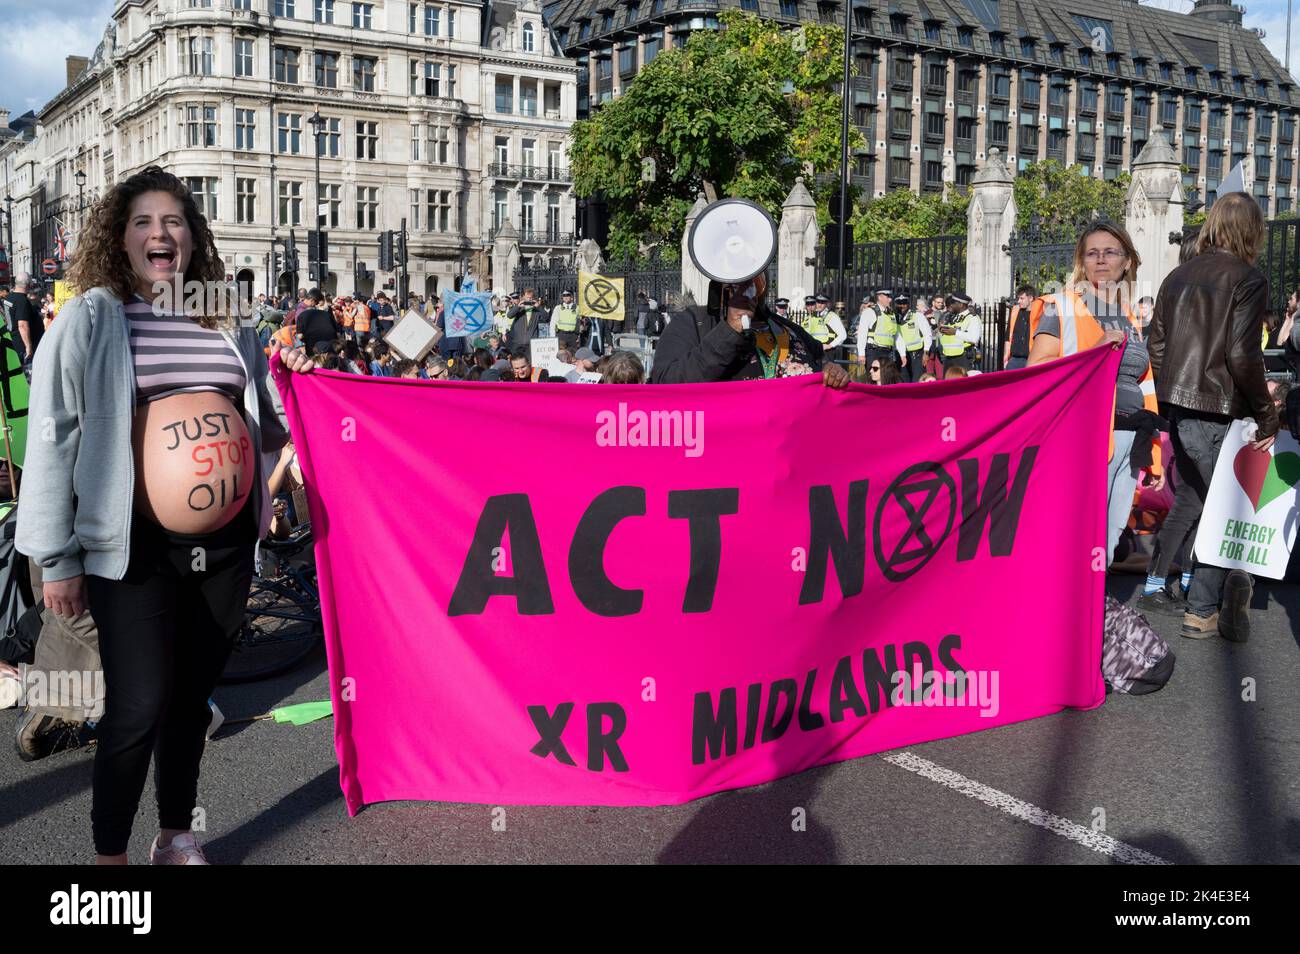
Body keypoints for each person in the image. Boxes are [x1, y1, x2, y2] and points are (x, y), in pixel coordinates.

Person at [15, 166, 290, 865]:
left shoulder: (225, 314)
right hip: (132, 547)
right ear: (121, 237)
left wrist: (284, 474)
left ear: (192, 239)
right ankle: (112, 860)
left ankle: (175, 835)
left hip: (224, 546)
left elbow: (264, 417)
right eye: (142, 221)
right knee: (137, 705)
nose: (158, 233)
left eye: (172, 221)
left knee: (192, 699)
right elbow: (55, 435)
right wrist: (56, 558)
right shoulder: (93, 315)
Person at [1147, 192, 1279, 642]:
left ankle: (1202, 610)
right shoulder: (1249, 279)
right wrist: (1267, 414)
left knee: (1208, 505)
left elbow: (1158, 345)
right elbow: (1243, 355)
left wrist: (1170, 404)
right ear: (1253, 231)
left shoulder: (1177, 276)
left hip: (1183, 413)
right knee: (1225, 511)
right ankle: (1219, 594)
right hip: (1221, 412)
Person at [1027, 221, 1165, 569]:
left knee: (1110, 534)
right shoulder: (1060, 305)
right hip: (1083, 437)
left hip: (1130, 437)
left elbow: (1144, 386)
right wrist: (1093, 353)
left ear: (1127, 262)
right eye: (1092, 253)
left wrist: (1153, 454)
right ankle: (1071, 614)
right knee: (1077, 534)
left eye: (1111, 252)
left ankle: (1091, 612)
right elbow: (1036, 370)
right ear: (1082, 262)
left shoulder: (1130, 317)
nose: (1101, 259)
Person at [649, 275, 849, 387]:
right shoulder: (694, 322)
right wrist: (729, 330)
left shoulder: (788, 328)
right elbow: (667, 385)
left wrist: (833, 372)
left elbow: (823, 365)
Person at [934, 293, 982, 372]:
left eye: (953, 303)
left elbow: (974, 338)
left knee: (964, 383)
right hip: (948, 357)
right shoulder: (952, 316)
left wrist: (955, 332)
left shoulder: (972, 318)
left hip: (963, 358)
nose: (951, 305)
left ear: (961, 305)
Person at [856, 288, 898, 372]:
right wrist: (861, 354)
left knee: (886, 380)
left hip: (887, 352)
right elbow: (862, 334)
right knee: (873, 379)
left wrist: (902, 354)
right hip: (873, 351)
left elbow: (896, 335)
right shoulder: (869, 312)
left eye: (891, 297)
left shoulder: (891, 314)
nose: (890, 299)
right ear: (880, 297)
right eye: (888, 297)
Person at [893, 293, 932, 382]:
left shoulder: (917, 315)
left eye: (904, 303)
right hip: (900, 354)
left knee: (917, 381)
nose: (902, 306)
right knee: (903, 381)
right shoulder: (893, 317)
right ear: (895, 304)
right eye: (899, 303)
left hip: (917, 355)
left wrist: (926, 352)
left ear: (908, 304)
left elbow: (927, 334)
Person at [1002, 284, 1037, 371]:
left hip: (1032, 359)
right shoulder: (1015, 311)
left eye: (1022, 298)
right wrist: (1006, 356)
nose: (1018, 301)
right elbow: (1008, 336)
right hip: (1014, 360)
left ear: (1031, 298)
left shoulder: (1039, 313)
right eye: (1018, 298)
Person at [294, 288, 338, 354]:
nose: (316, 305)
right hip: (319, 345)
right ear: (312, 300)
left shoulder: (303, 311)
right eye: (316, 302)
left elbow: (300, 334)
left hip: (314, 345)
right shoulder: (302, 311)